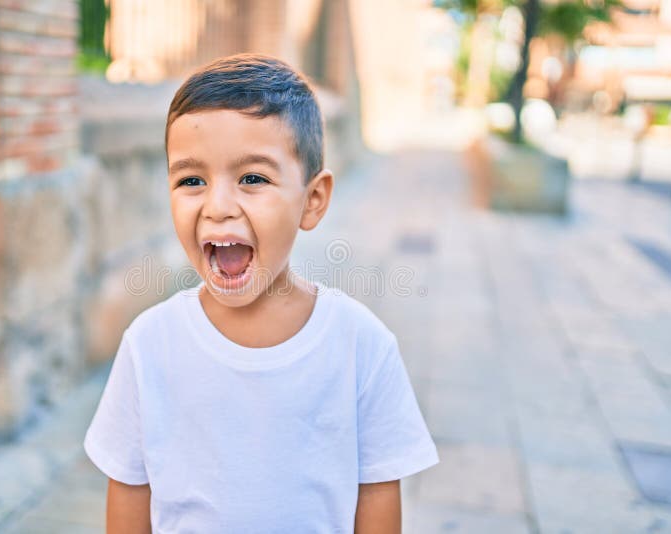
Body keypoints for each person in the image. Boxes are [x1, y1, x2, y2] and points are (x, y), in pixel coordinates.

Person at [83, 52, 438, 533]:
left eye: (252, 178)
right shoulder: (150, 344)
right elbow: (129, 487)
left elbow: (376, 492)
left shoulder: (360, 347)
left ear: (312, 201)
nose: (218, 206)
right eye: (192, 180)